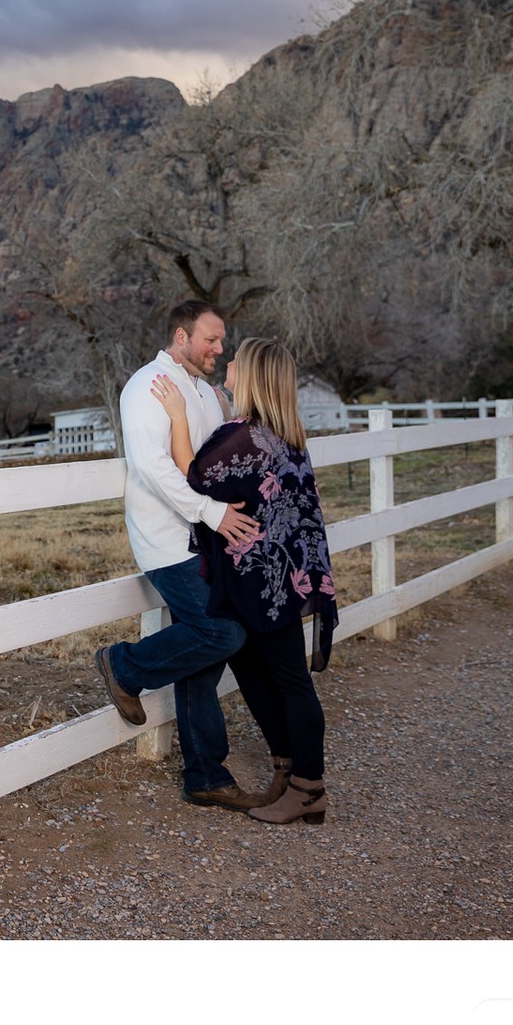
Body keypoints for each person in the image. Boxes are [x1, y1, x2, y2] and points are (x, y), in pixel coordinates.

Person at [152, 337, 337, 825]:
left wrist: (175, 414)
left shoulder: (248, 436)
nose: (228, 361)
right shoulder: (280, 433)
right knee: (254, 672)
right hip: (274, 576)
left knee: (289, 680)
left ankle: (309, 788)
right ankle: (286, 770)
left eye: (237, 359)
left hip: (266, 583)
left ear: (252, 375)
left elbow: (194, 476)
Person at [92, 299, 267, 811]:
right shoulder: (147, 386)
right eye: (210, 339)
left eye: (221, 340)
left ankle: (205, 775)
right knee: (222, 633)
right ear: (181, 336)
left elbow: (210, 460)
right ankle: (123, 664)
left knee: (204, 659)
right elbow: (154, 469)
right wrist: (213, 514)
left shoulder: (204, 392)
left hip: (206, 539)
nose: (219, 348)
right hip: (168, 541)